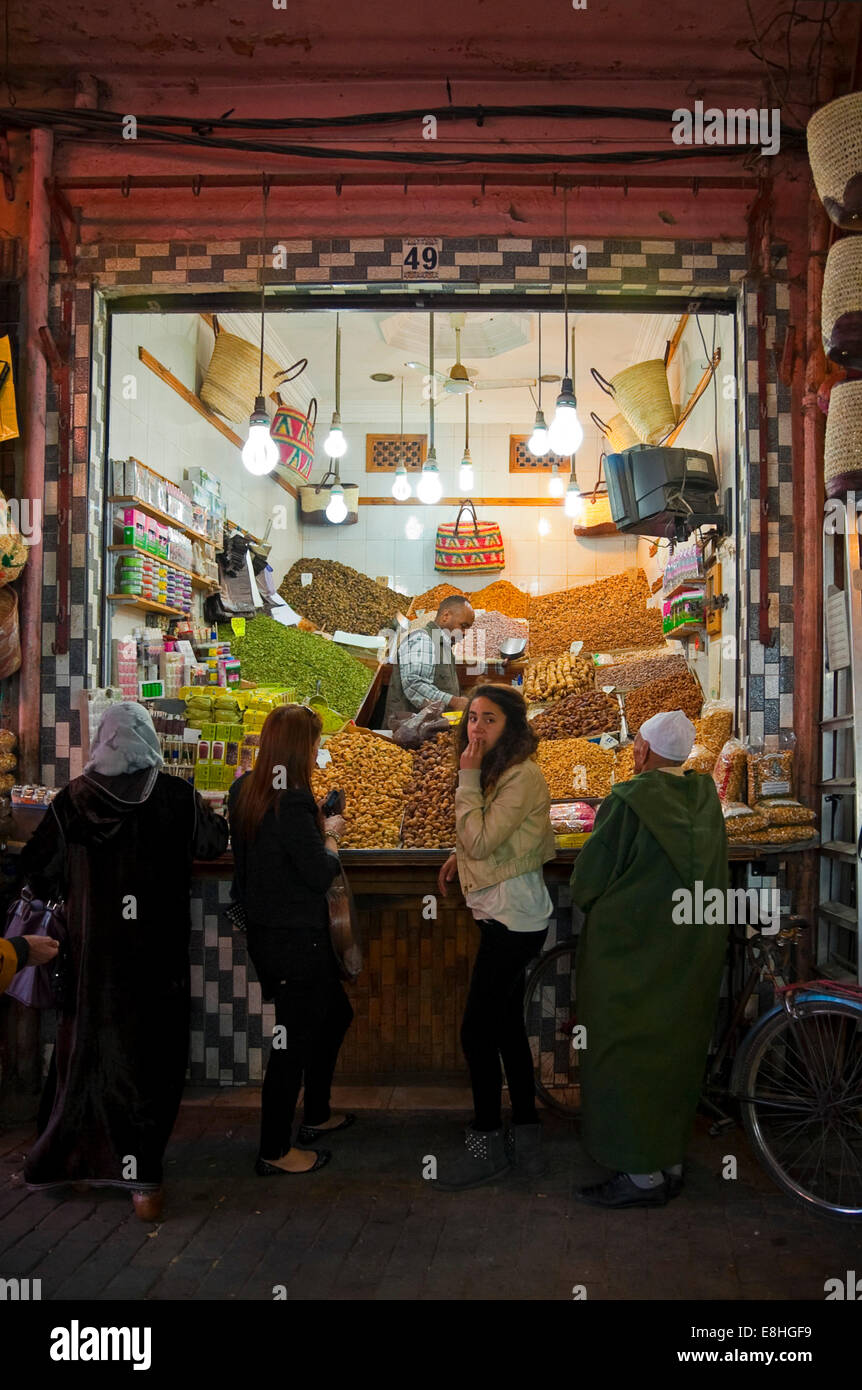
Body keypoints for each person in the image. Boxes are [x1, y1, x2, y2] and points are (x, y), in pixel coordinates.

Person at [19, 702, 228, 1222]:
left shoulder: (73, 799)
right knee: (151, 1060)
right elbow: (212, 842)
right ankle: (143, 1185)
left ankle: (78, 1164)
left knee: (89, 1055)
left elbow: (37, 870)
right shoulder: (175, 796)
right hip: (157, 959)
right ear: (148, 739)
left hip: (92, 960)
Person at [569, 709, 730, 1209]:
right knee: (677, 1049)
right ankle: (669, 1161)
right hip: (696, 950)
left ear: (642, 751)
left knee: (624, 1052)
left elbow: (589, 879)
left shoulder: (628, 801)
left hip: (632, 953)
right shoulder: (707, 800)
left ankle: (641, 1175)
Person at [435, 684, 557, 1190]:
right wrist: (459, 856)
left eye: (490, 719)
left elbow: (482, 841)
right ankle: (526, 1136)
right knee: (505, 1028)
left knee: (476, 1033)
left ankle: (485, 1143)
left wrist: (465, 778)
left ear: (512, 726)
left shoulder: (521, 775)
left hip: (514, 920)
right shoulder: (500, 769)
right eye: (472, 718)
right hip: (502, 914)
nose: (477, 728)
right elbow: (488, 840)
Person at [228, 704, 355, 1177]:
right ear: (302, 748)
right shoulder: (293, 799)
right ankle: (275, 1150)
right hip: (297, 941)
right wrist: (332, 834)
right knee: (292, 1041)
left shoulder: (246, 789)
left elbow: (269, 849)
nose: (318, 750)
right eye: (316, 743)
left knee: (335, 1015)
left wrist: (315, 821)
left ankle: (317, 1114)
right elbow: (319, 872)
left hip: (267, 935)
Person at [384, 594, 475, 726]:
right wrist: (454, 701)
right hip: (406, 730)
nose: (465, 632)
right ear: (446, 616)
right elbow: (415, 684)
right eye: (463, 626)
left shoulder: (443, 646)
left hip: (423, 729)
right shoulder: (423, 639)